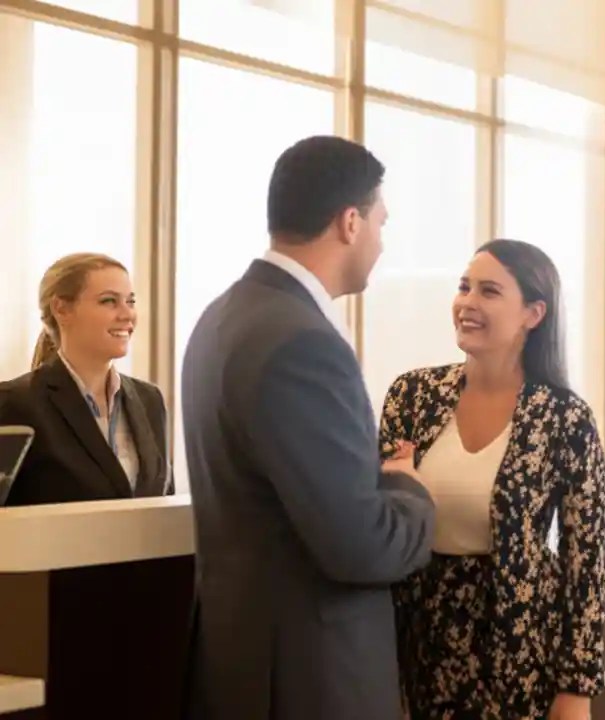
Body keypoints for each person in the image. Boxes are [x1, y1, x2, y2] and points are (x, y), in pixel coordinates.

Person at [182, 135, 436, 720]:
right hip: (310, 680)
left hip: (240, 665)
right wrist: (406, 487)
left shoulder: (221, 318)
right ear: (350, 222)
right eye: (380, 222)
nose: (380, 241)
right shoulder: (303, 342)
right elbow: (361, 547)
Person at [380, 239, 605, 720]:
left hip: (521, 652)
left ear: (533, 313)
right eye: (464, 287)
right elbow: (383, 529)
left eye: (489, 291)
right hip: (421, 644)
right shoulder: (411, 395)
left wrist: (577, 689)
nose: (468, 303)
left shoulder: (565, 417)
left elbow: (584, 564)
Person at [0, 253, 171, 505]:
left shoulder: (149, 400)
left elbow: (163, 508)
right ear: (61, 309)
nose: (127, 314)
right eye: (109, 301)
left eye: (130, 301)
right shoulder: (15, 403)